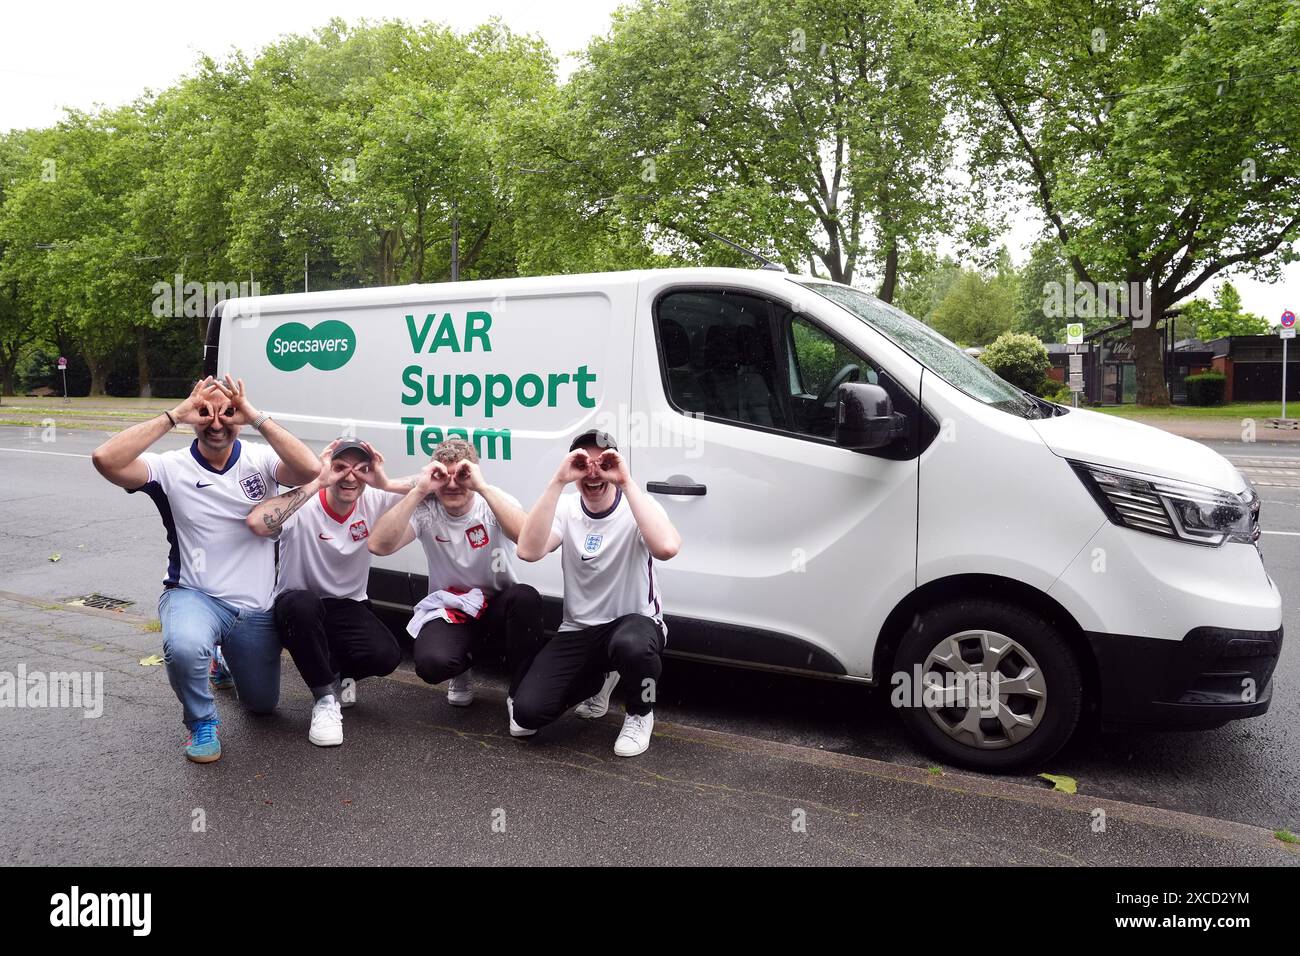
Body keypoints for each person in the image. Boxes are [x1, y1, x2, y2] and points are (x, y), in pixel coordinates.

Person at [91, 376, 319, 763]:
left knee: (262, 706)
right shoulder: (168, 467)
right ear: (193, 417)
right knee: (184, 646)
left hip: (254, 608)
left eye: (227, 413)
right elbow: (105, 459)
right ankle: (201, 721)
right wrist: (174, 414)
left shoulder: (260, 459)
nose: (216, 423)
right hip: (194, 594)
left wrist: (255, 416)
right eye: (204, 413)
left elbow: (310, 467)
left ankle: (222, 660)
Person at [512, 430, 681, 757]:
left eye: (603, 463)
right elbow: (528, 551)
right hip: (580, 629)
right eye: (582, 463)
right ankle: (600, 679)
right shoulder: (565, 507)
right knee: (526, 715)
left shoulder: (638, 504)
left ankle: (640, 712)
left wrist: (627, 482)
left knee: (631, 648)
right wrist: (557, 481)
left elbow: (667, 548)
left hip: (634, 624)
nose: (593, 472)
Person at [246, 438, 414, 747]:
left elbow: (434, 482)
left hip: (348, 604)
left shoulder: (375, 499)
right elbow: (257, 522)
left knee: (387, 656)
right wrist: (316, 480)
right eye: (340, 468)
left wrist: (386, 481)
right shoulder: (306, 502)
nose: (350, 478)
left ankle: (338, 670)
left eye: (361, 469)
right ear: (327, 468)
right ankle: (324, 699)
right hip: (298, 604)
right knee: (302, 606)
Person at [368, 439, 545, 732]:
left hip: (498, 605)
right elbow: (378, 545)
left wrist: (484, 488)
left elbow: (529, 540)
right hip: (454, 608)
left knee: (525, 598)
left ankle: (519, 695)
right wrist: (420, 489)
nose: (452, 485)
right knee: (431, 664)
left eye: (461, 475)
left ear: (473, 474)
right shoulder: (428, 509)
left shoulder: (491, 501)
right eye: (443, 476)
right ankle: (461, 668)